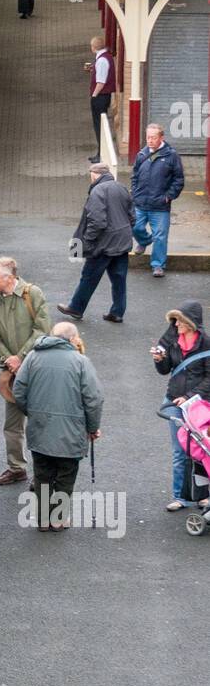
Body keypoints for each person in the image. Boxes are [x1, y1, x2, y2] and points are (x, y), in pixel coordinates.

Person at [12, 322, 103, 530]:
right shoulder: (81, 362)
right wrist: (92, 427)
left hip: (40, 428)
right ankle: (58, 518)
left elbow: (18, 390)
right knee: (65, 475)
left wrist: (33, 412)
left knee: (42, 474)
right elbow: (94, 399)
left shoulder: (33, 357)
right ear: (72, 339)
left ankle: (43, 519)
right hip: (71, 432)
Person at [0, 256, 52, 485]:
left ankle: (42, 473)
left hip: (35, 370)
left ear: (10, 278)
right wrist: (8, 360)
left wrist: (20, 357)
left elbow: (42, 330)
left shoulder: (33, 294)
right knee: (12, 425)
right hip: (12, 374)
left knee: (39, 424)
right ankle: (17, 468)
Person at [58, 163, 135, 323]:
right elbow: (132, 215)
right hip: (122, 241)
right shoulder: (121, 187)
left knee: (89, 277)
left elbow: (97, 221)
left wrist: (88, 240)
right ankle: (117, 312)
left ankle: (76, 308)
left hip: (103, 245)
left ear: (94, 174)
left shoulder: (97, 191)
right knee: (119, 279)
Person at [152, 301, 210, 510]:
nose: (176, 325)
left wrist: (189, 396)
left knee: (201, 450)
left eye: (180, 321)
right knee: (180, 452)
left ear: (190, 323)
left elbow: (209, 378)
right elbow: (165, 370)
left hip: (198, 405)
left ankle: (203, 496)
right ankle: (180, 497)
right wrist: (159, 360)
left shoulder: (206, 343)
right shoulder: (173, 342)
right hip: (174, 400)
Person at [131, 123, 184, 278]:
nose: (150, 140)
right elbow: (134, 175)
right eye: (148, 137)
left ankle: (158, 265)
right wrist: (135, 192)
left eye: (153, 137)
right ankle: (145, 240)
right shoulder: (142, 154)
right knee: (135, 227)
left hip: (160, 206)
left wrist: (168, 196)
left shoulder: (171, 155)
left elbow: (178, 179)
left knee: (160, 236)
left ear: (161, 138)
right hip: (140, 202)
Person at [84, 34, 116, 163]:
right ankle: (100, 152)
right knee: (99, 124)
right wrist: (93, 69)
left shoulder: (102, 60)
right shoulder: (105, 57)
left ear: (94, 47)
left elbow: (101, 82)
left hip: (100, 96)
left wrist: (94, 95)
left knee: (99, 125)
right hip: (104, 96)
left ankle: (101, 153)